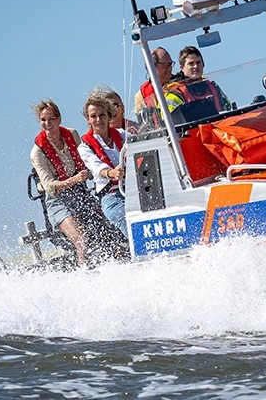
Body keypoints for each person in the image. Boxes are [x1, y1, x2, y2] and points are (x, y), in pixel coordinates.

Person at [30, 99, 122, 267]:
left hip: (81, 194)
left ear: (59, 119)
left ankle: (116, 266)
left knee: (109, 230)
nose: (47, 123)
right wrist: (75, 179)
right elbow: (50, 187)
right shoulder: (37, 152)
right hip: (58, 202)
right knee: (82, 242)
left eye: (51, 119)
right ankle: (84, 274)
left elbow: (88, 163)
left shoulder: (72, 134)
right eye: (43, 120)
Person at [77, 94, 127, 237]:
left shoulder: (123, 135)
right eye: (94, 116)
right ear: (88, 120)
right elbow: (97, 167)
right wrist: (111, 173)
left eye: (102, 115)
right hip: (112, 197)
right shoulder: (84, 147)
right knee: (129, 222)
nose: (98, 120)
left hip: (134, 190)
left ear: (108, 116)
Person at [165, 46, 234, 115]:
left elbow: (229, 109)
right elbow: (174, 119)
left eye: (198, 62)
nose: (195, 66)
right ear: (182, 68)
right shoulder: (174, 93)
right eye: (191, 63)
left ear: (203, 65)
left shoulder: (213, 87)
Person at [134, 47, 181, 129]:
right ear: (152, 67)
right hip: (161, 134)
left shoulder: (180, 84)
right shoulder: (141, 96)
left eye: (170, 64)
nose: (169, 68)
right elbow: (144, 126)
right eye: (165, 65)